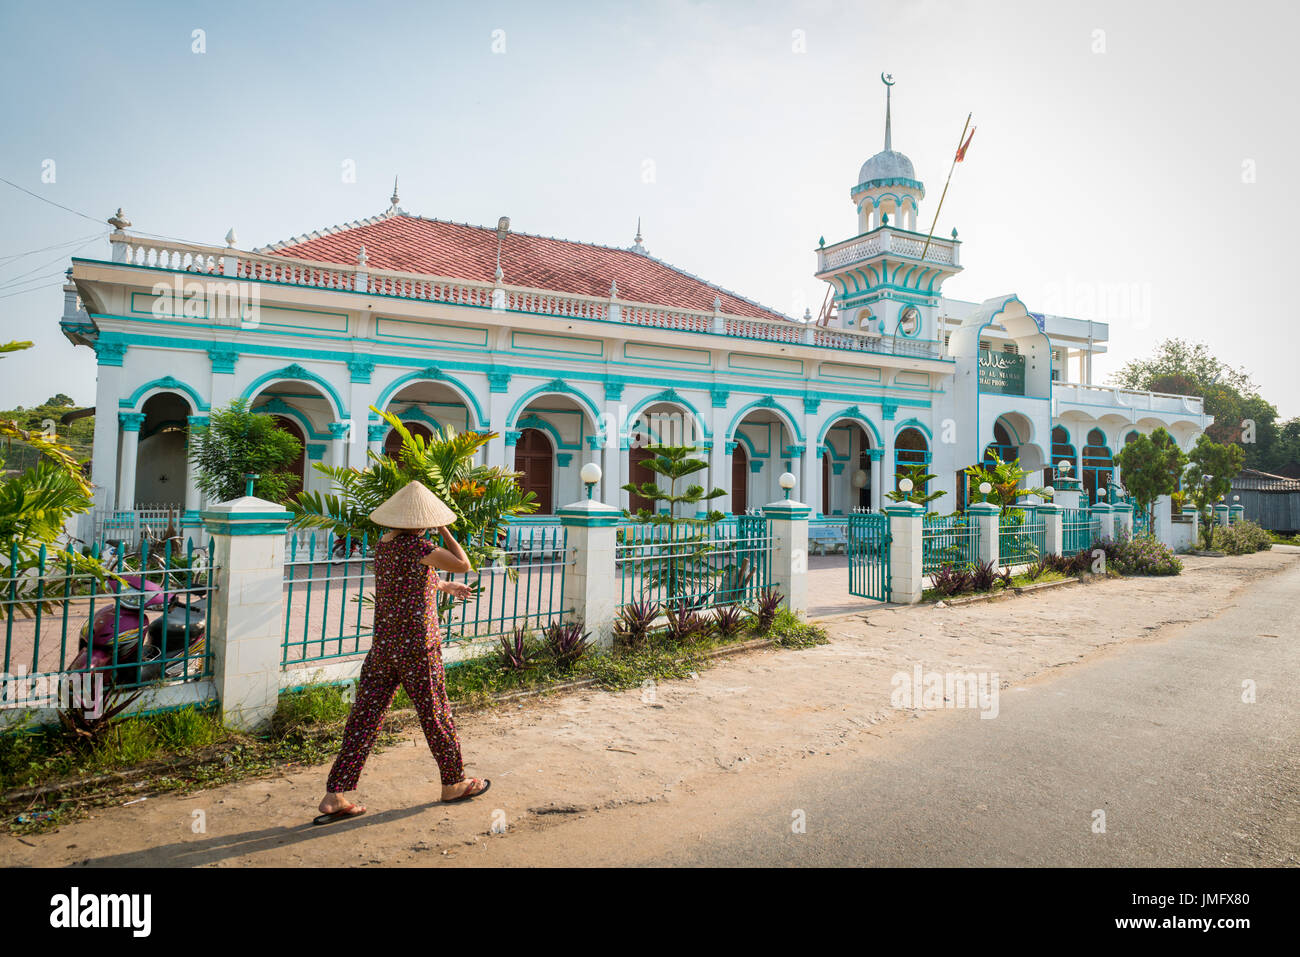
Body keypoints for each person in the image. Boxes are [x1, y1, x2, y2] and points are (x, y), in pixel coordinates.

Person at [314, 481, 490, 824]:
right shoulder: (422, 546)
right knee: (435, 713)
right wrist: (445, 528)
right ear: (423, 520)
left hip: (385, 645)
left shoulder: (385, 545)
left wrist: (442, 585)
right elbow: (463, 563)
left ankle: (335, 793)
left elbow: (406, 579)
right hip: (417, 647)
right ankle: (454, 782)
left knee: (365, 715)